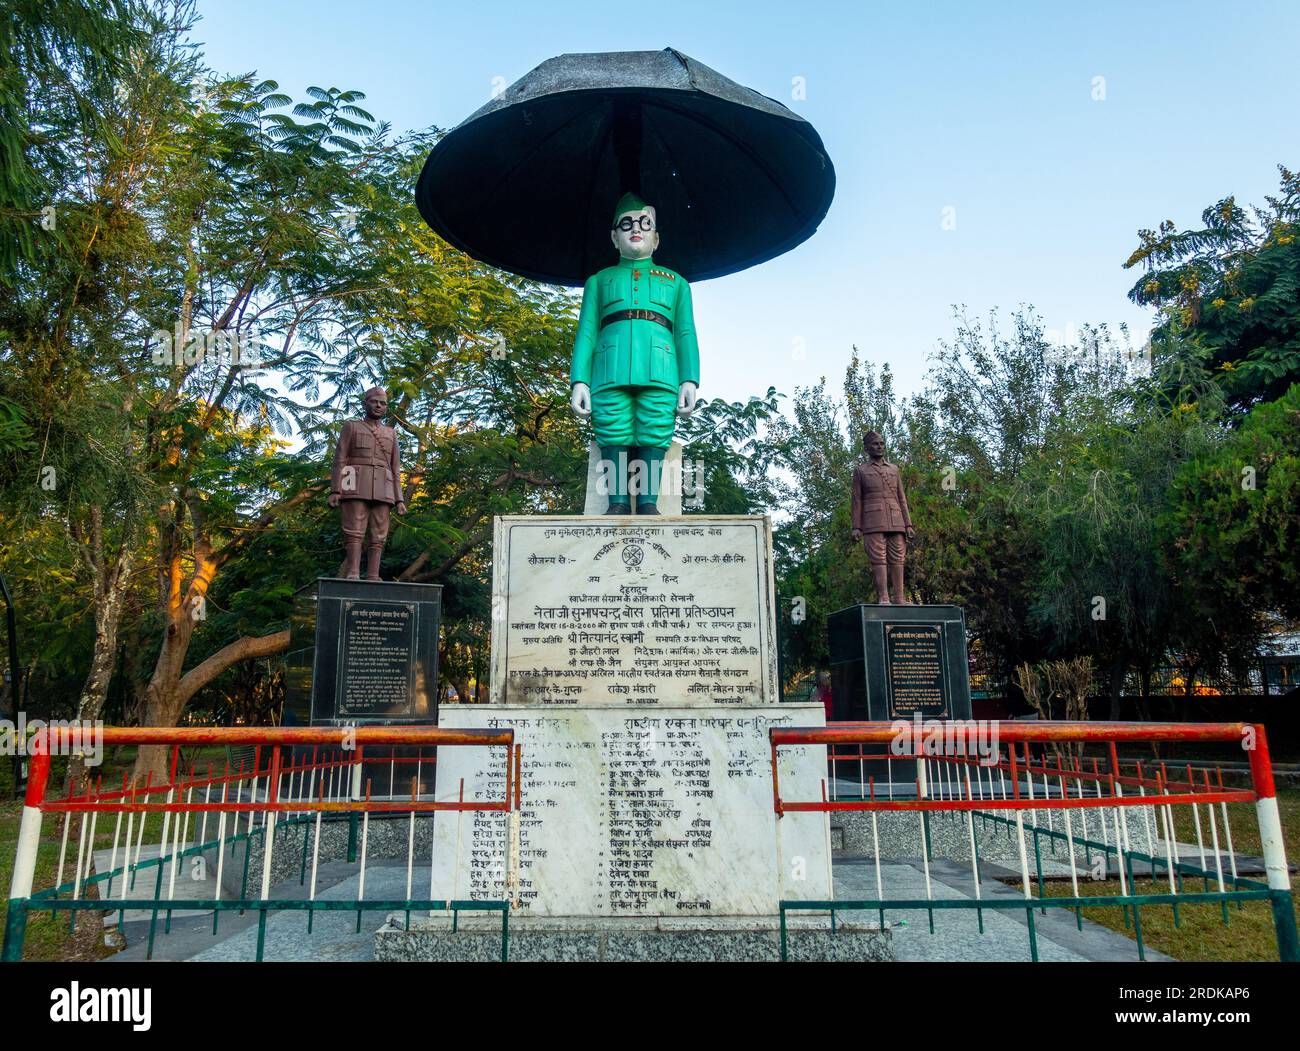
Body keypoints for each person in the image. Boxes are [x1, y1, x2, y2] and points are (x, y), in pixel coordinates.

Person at [570, 191, 700, 513]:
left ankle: (647, 503)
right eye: (626, 224)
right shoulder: (599, 281)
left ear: (656, 238)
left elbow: (685, 333)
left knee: (655, 428)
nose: (635, 228)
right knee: (612, 426)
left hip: (661, 368)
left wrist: (690, 379)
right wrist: (579, 381)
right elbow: (587, 331)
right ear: (614, 237)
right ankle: (616, 503)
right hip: (608, 368)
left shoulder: (676, 283)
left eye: (645, 223)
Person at [329, 387, 406, 580]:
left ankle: (373, 575)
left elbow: (396, 468)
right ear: (365, 404)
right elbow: (340, 459)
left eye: (383, 403)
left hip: (383, 487)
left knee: (379, 534)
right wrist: (335, 490)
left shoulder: (391, 433)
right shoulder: (351, 426)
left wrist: (399, 499)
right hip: (353, 481)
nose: (379, 406)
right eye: (374, 402)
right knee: (354, 530)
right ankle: (353, 573)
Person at [850, 430, 913, 604]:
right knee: (878, 559)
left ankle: (900, 598)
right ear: (866, 448)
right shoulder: (860, 471)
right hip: (873, 521)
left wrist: (908, 524)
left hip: (896, 519)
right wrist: (856, 526)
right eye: (875, 444)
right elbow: (856, 500)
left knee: (898, 558)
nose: (879, 447)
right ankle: (883, 597)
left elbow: (902, 498)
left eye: (882, 444)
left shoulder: (894, 469)